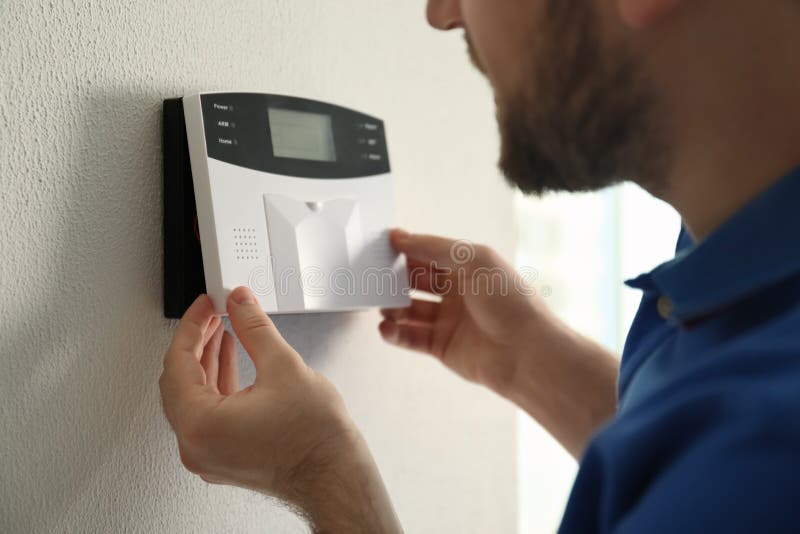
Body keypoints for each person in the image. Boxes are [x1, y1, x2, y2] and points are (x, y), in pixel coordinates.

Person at [159, 0, 800, 531]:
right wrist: (534, 361)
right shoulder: (736, 273)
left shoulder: (765, 453)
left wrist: (322, 472)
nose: (441, 13)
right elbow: (691, 466)